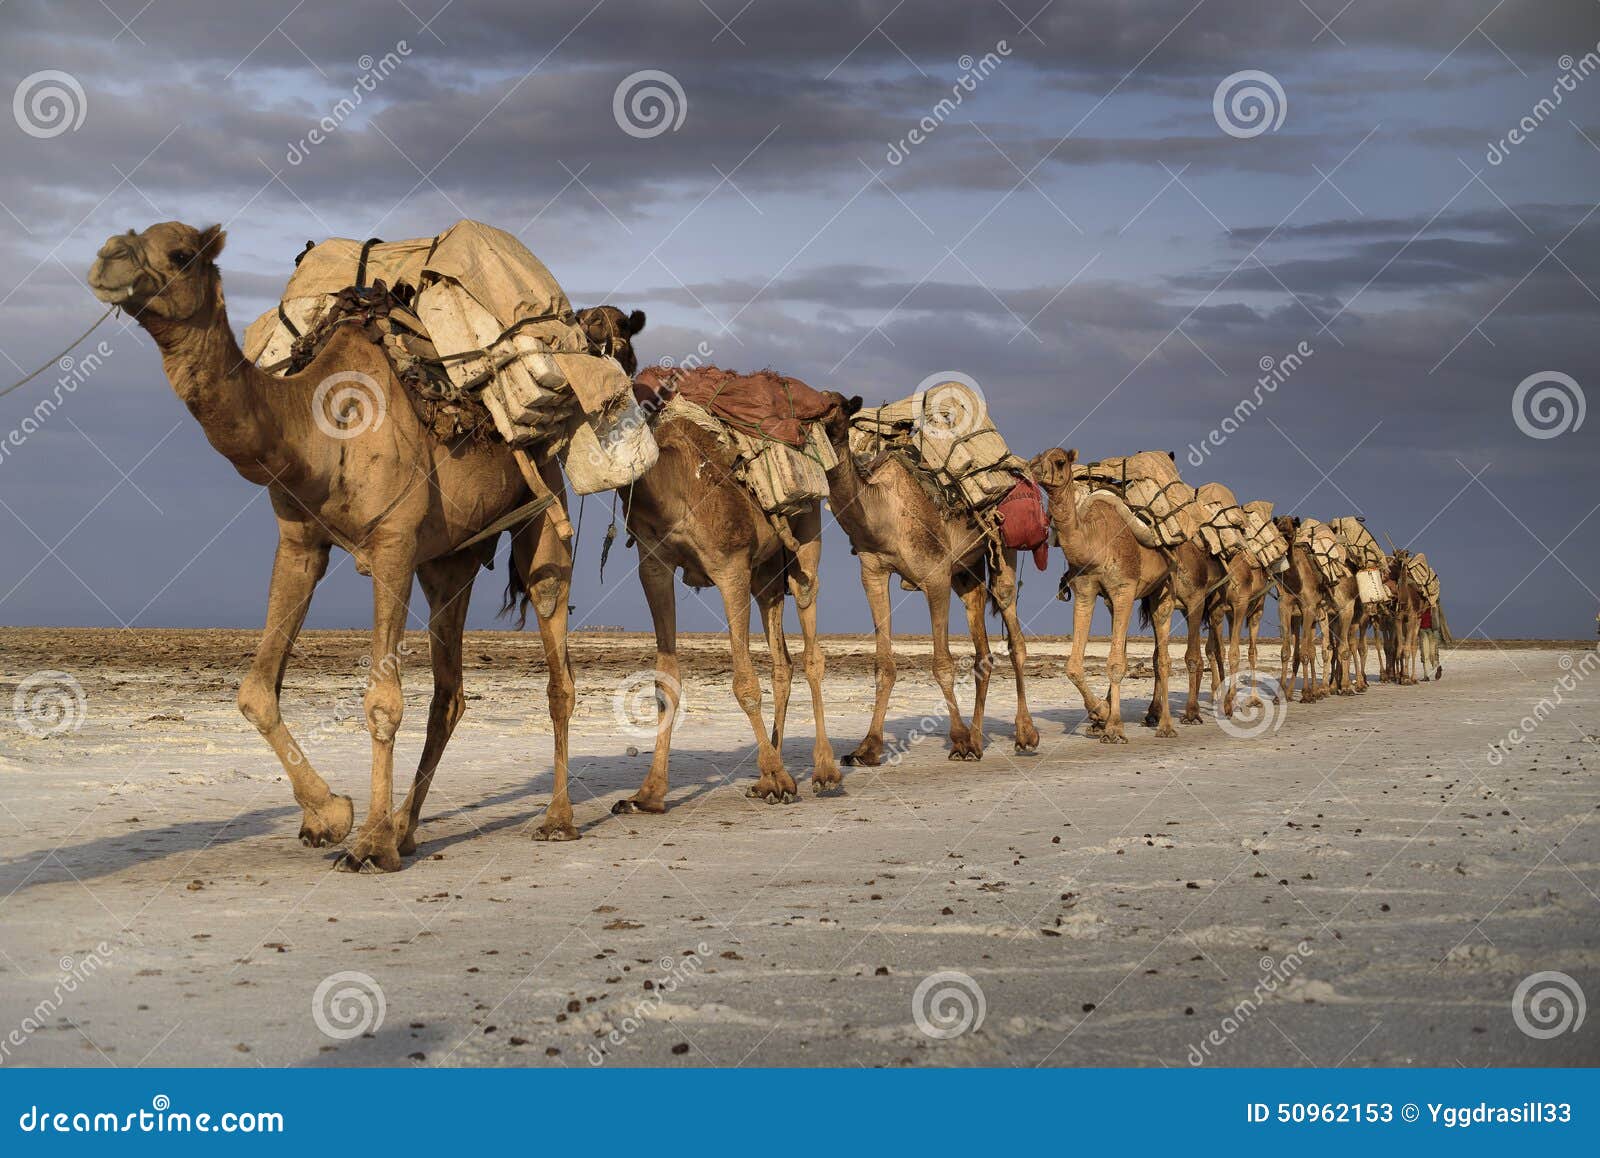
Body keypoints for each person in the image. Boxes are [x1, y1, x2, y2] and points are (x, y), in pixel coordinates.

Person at [1419, 606, 1442, 681]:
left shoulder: (1432, 606)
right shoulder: (1418, 605)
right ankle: (1426, 675)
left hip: (1431, 631)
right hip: (1422, 630)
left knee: (1432, 653)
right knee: (1425, 653)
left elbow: (1436, 620)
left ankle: (1437, 666)